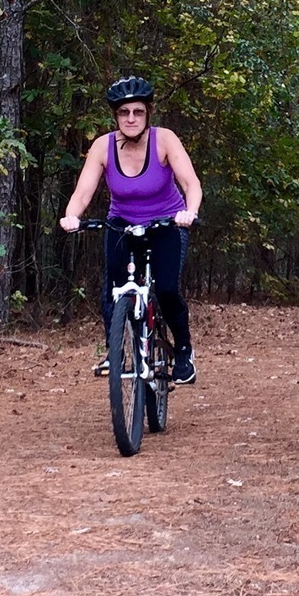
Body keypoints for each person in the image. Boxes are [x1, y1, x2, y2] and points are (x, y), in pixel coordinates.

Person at [60, 76, 203, 385]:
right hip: (122, 224)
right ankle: (117, 354)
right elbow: (83, 192)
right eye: (124, 113)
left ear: (148, 113)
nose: (131, 118)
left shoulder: (164, 140)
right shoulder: (103, 146)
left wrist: (189, 212)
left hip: (166, 222)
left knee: (166, 289)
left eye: (138, 112)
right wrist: (72, 216)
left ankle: (183, 350)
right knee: (112, 292)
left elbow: (191, 184)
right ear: (116, 117)